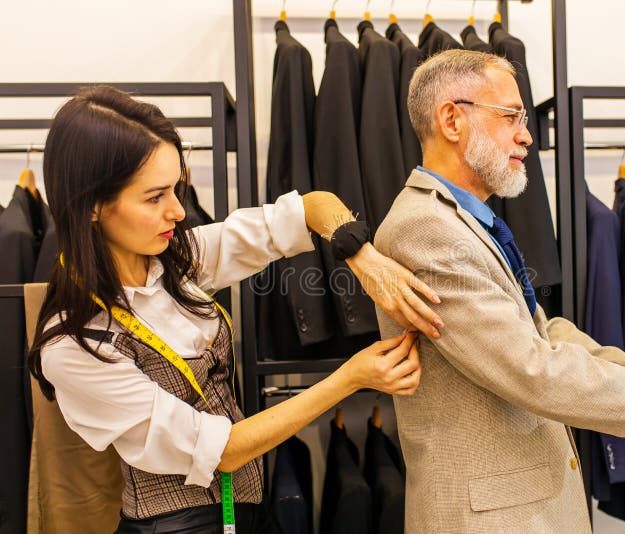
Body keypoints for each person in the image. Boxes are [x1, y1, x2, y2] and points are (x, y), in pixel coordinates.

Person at [27, 86, 441, 532]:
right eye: (155, 197)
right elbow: (223, 451)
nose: (179, 212)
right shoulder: (76, 344)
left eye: (176, 189)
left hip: (246, 509)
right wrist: (350, 378)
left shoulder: (178, 260)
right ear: (92, 205)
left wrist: (364, 258)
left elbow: (310, 207)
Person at [373, 50, 625, 533]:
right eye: (510, 117)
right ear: (452, 120)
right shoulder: (425, 229)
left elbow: (544, 333)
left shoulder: (463, 220)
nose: (526, 135)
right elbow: (534, 370)